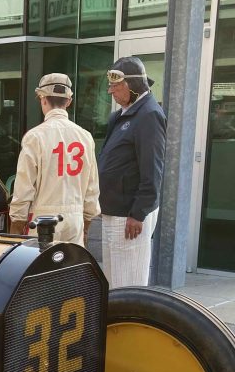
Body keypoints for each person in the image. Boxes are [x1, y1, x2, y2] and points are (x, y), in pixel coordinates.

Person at [97, 56, 166, 288]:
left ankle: (129, 323)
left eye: (116, 85)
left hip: (129, 215)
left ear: (132, 85)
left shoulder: (149, 115)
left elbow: (152, 169)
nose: (110, 91)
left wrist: (138, 213)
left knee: (128, 282)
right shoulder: (123, 115)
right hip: (115, 211)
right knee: (113, 280)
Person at [9, 74, 100, 246]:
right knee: (70, 269)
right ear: (68, 101)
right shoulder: (85, 137)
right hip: (75, 219)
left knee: (41, 269)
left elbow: (23, 187)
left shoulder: (35, 137)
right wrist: (87, 222)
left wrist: (17, 224)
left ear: (43, 99)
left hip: (43, 220)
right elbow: (92, 187)